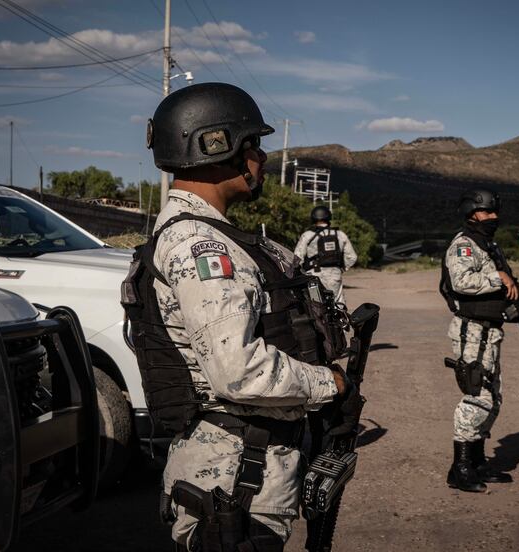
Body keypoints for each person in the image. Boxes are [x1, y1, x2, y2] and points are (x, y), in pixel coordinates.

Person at [122, 83, 359, 551]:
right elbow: (238, 371)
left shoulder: (208, 234)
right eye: (253, 146)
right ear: (216, 145)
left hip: (242, 467)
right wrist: (329, 384)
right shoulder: (199, 245)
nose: (262, 158)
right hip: (235, 479)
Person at [439, 189, 515, 492]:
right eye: (487, 212)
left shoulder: (486, 244)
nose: (493, 217)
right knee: (477, 397)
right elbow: (462, 282)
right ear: (472, 214)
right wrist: (500, 278)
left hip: (489, 331)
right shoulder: (464, 245)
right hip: (472, 331)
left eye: (495, 212)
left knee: (492, 397)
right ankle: (459, 468)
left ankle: (477, 462)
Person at [293, 205, 358, 303]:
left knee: (316, 305)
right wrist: (341, 269)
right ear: (328, 218)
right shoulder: (340, 234)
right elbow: (352, 257)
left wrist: (300, 272)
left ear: (313, 218)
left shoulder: (307, 235)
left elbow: (297, 259)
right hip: (334, 275)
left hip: (313, 275)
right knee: (338, 305)